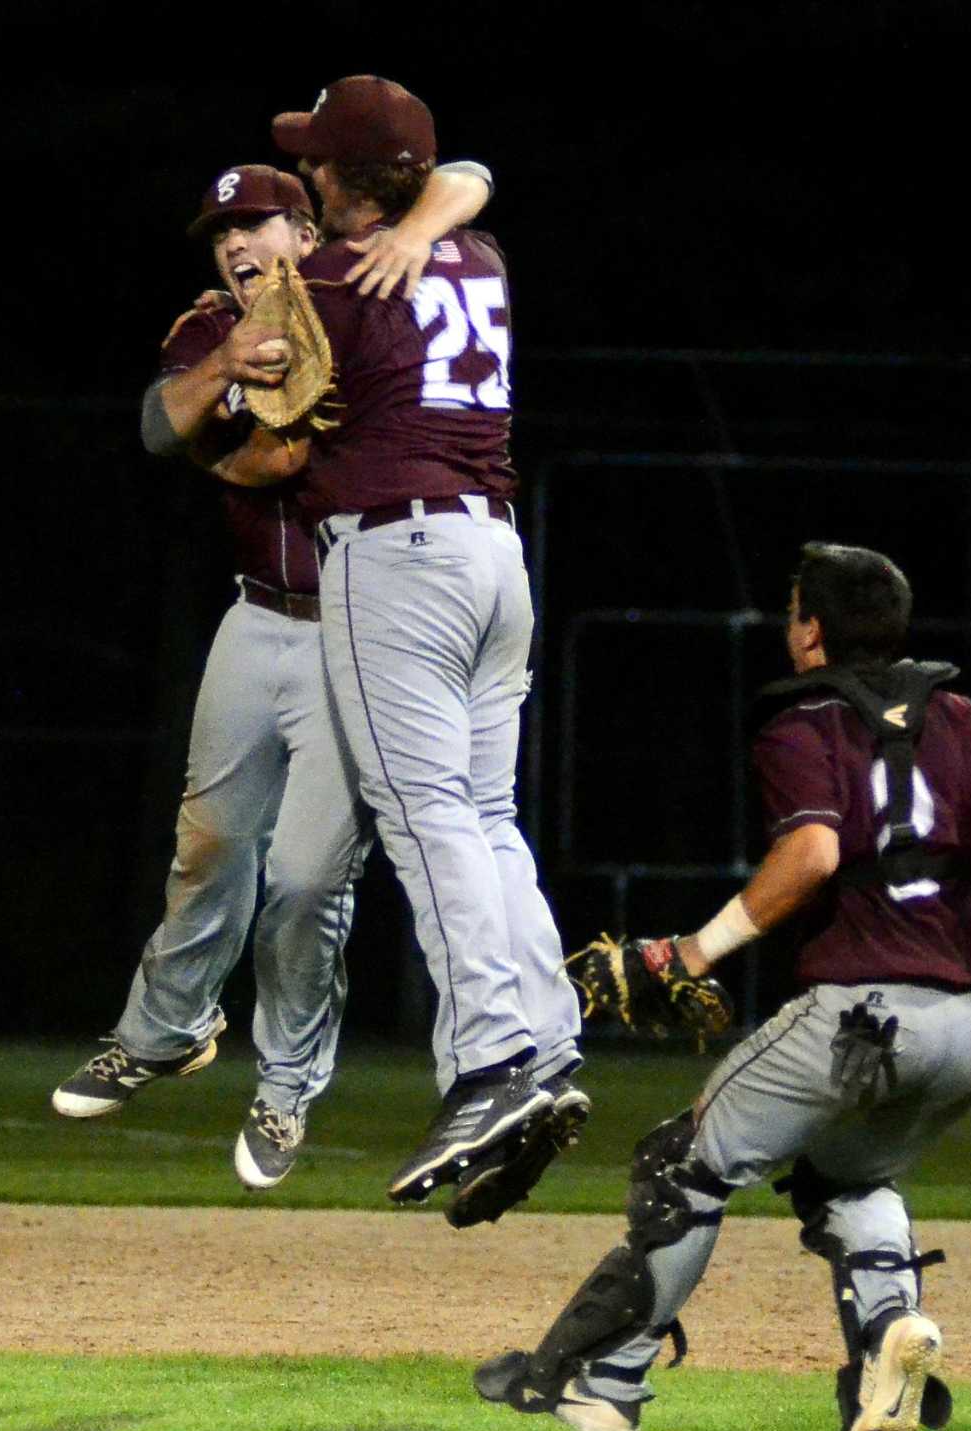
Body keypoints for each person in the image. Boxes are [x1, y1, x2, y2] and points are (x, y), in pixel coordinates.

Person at [474, 542, 971, 1431]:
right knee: (846, 1176)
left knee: (681, 1167)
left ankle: (605, 1385)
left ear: (813, 630)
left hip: (859, 1018)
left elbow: (814, 854)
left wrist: (693, 952)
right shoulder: (965, 718)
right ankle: (889, 1334)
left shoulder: (804, 725)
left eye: (794, 613)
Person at [50, 157, 495, 1191]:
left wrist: (223, 442)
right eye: (222, 236)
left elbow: (277, 462)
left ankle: (287, 1086)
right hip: (254, 621)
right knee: (206, 846)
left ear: (308, 230)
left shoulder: (370, 303)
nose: (239, 246)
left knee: (303, 878)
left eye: (259, 225)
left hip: (359, 629)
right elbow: (160, 421)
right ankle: (165, 1027)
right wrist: (227, 369)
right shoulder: (208, 326)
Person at [238, 75, 584, 1221]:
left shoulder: (328, 277)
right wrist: (429, 214)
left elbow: (262, 421)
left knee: (423, 811)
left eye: (314, 162)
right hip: (496, 559)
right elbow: (471, 179)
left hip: (397, 557)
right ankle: (543, 1044)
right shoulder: (476, 254)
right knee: (485, 815)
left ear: (336, 179)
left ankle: (487, 1063)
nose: (305, 175)